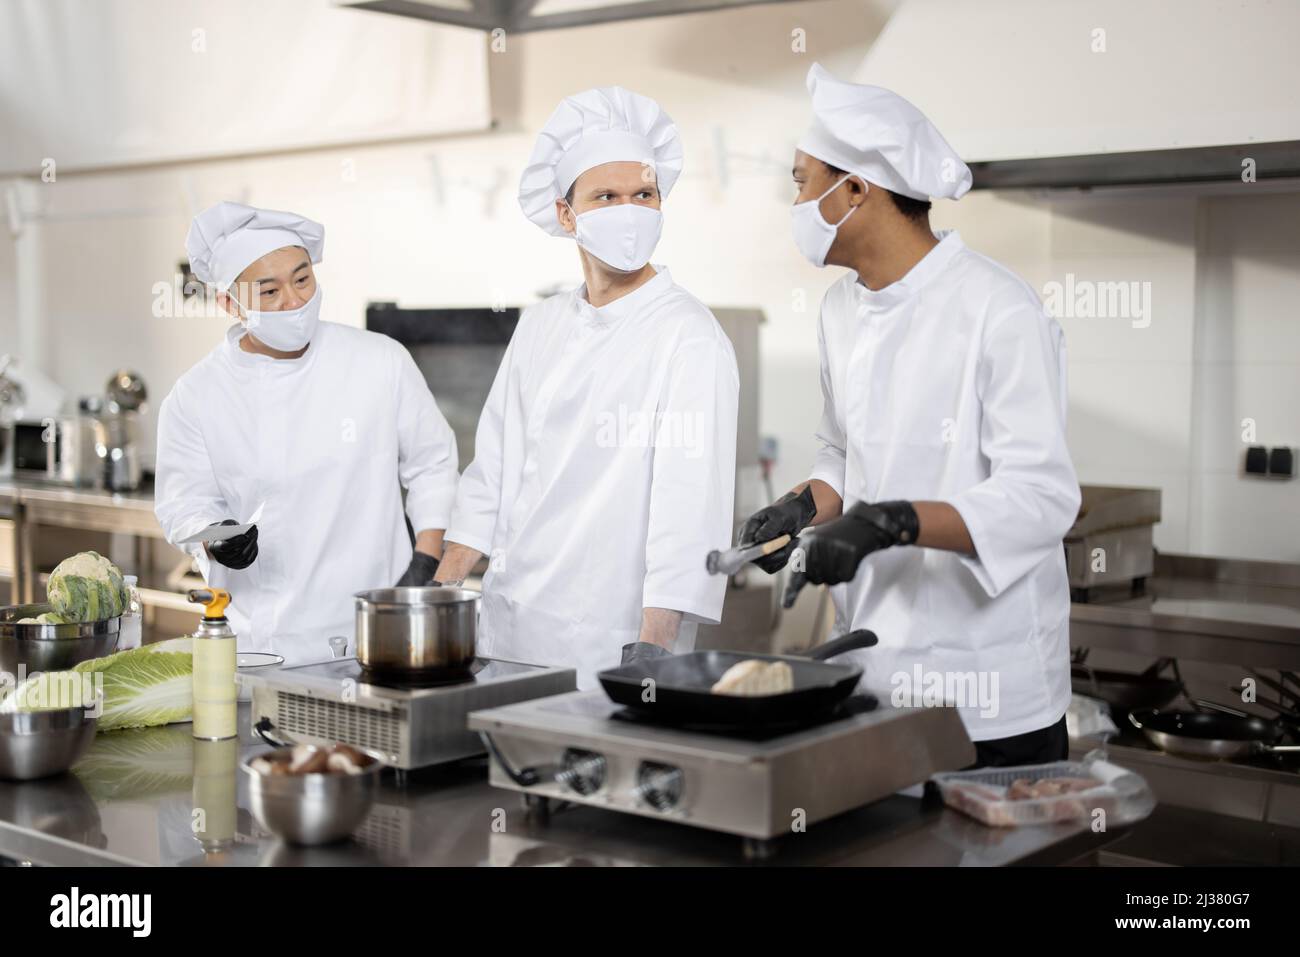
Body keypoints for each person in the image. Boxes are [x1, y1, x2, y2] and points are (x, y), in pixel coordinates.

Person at [742, 64, 1081, 766]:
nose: (796, 201)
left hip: (991, 687)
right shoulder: (840, 309)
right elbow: (840, 453)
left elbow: (1042, 499)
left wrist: (888, 522)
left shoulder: (999, 309)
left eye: (803, 182)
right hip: (876, 668)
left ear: (856, 191)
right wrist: (801, 508)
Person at [434, 86, 739, 688]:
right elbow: (493, 467)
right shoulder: (542, 323)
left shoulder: (688, 334)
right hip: (512, 623)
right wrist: (437, 592)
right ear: (567, 213)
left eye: (643, 195)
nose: (629, 211)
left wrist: (654, 645)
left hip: (615, 637)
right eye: (606, 196)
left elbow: (690, 504)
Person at [155, 202, 459, 664]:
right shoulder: (195, 395)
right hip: (266, 638)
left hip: (378, 625)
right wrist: (212, 536)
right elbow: (184, 503)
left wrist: (424, 567)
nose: (294, 301)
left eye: (302, 280)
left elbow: (432, 463)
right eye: (269, 291)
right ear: (229, 303)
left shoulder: (380, 360)